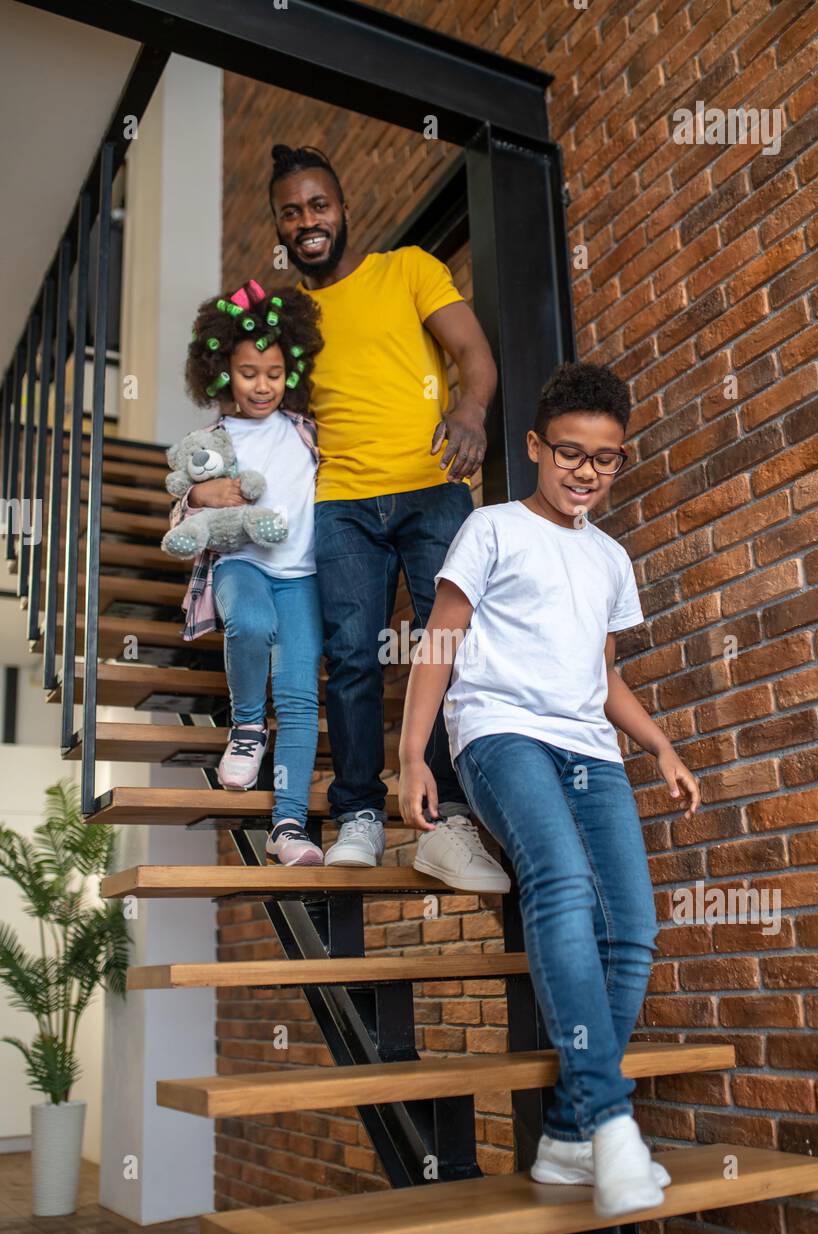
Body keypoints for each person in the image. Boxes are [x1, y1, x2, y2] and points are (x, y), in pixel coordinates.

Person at [397, 361, 701, 1219]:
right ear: (534, 447)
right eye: (569, 453)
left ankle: (567, 1138)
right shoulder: (491, 529)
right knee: (561, 882)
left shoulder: (611, 558)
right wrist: (415, 756)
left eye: (604, 460)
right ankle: (610, 1126)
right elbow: (440, 640)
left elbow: (603, 678)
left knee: (634, 929)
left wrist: (661, 746)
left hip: (590, 748)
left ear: (619, 461)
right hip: (499, 735)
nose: (585, 473)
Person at [269, 143, 509, 892]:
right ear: (281, 230)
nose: (308, 220)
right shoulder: (292, 316)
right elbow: (289, 412)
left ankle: (451, 822)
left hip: (431, 484)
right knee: (351, 657)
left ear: (342, 210)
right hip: (340, 502)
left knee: (450, 650)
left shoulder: (407, 269)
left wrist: (470, 410)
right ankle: (360, 816)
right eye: (292, 212)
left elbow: (475, 355)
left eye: (319, 205)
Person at [166, 279, 327, 866]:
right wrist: (204, 496)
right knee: (251, 626)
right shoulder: (212, 440)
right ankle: (248, 727)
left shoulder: (308, 431)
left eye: (275, 372)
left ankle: (289, 826)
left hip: (304, 575)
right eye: (248, 372)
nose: (262, 385)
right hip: (240, 565)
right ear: (221, 373)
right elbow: (180, 508)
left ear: (292, 371)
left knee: (301, 698)